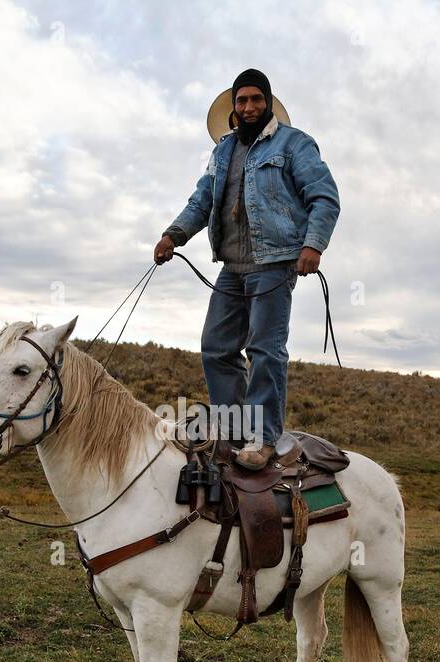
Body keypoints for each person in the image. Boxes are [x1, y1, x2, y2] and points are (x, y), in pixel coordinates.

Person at [154, 68, 340, 469]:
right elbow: (202, 200)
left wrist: (313, 244)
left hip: (274, 263)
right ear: (233, 107)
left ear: (268, 103)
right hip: (232, 267)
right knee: (216, 346)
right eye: (242, 100)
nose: (249, 106)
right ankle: (231, 426)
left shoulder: (294, 144)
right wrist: (174, 235)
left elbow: (324, 197)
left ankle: (263, 437)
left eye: (257, 99)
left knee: (264, 349)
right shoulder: (222, 151)